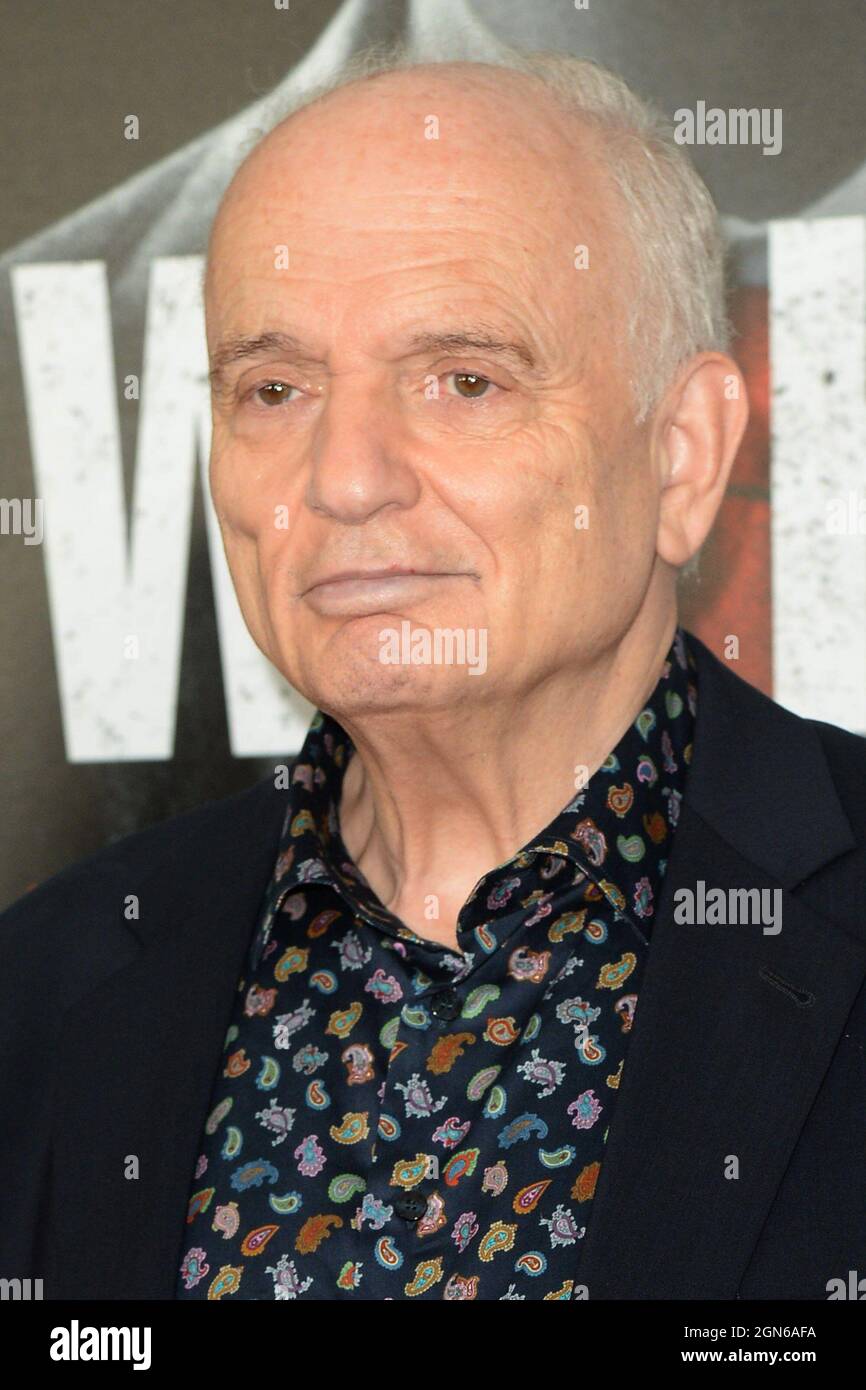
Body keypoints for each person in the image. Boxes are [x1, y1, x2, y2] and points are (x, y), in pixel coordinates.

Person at [2, 49, 864, 1302]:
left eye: (464, 381)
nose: (344, 476)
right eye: (273, 388)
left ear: (680, 460)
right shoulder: (50, 992)